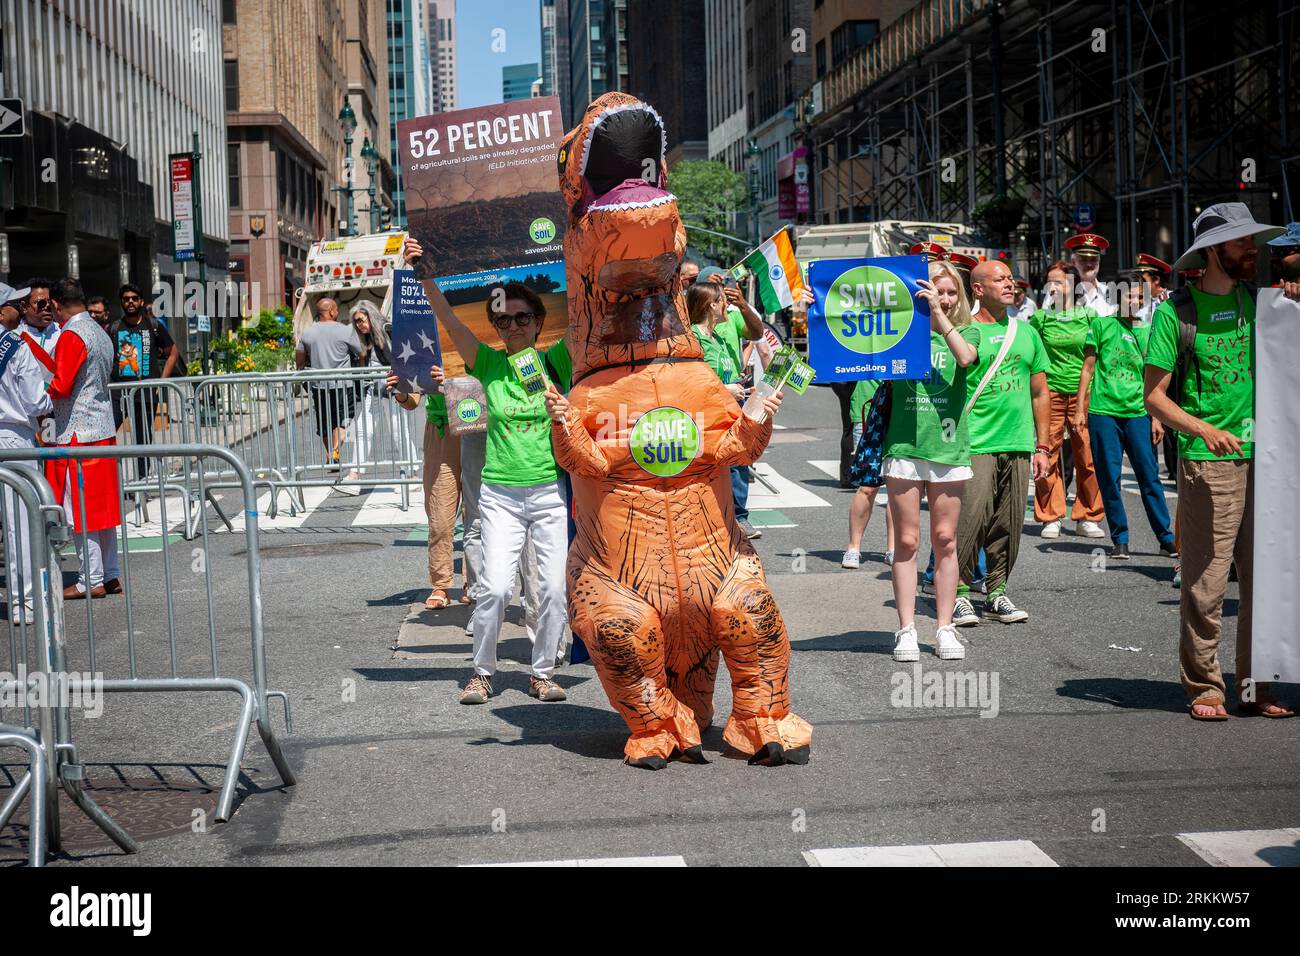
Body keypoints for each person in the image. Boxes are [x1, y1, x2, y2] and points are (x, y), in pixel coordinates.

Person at [1143, 202, 1300, 721]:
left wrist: (1294, 301)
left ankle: (1257, 685)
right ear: (1214, 251)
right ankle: (1205, 685)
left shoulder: (1263, 303)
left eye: (1252, 242)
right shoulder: (1176, 314)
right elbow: (1155, 397)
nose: (1253, 251)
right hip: (1207, 463)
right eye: (1241, 244)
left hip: (1271, 460)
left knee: (1267, 579)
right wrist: (1204, 429)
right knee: (1208, 582)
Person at [404, 236, 571, 705]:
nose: (513, 325)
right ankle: (482, 672)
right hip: (499, 495)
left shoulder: (556, 361)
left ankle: (542, 674)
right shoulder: (488, 362)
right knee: (495, 590)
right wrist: (424, 273)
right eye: (504, 319)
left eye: (522, 317)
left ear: (538, 323)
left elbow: (584, 311)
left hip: (548, 494)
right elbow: (449, 319)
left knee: (554, 590)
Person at [885, 261, 979, 662]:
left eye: (950, 292)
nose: (943, 298)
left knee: (945, 540)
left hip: (947, 448)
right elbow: (846, 359)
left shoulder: (966, 330)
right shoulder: (898, 334)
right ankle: (906, 629)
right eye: (935, 291)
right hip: (904, 448)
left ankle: (944, 627)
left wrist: (941, 317)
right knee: (906, 541)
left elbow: (965, 358)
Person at [952, 260, 1051, 626]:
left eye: (1010, 278)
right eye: (1000, 279)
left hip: (1020, 442)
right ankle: (959, 592)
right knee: (971, 519)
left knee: (1008, 522)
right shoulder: (965, 331)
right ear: (978, 289)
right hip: (976, 442)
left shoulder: (1027, 332)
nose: (1010, 284)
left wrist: (1043, 446)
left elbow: (1041, 392)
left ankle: (996, 592)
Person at [1073, 279, 1175, 560]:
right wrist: (1080, 409)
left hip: (1138, 413)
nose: (1134, 301)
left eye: (1139, 297)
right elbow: (1087, 369)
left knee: (1149, 476)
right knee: (1109, 477)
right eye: (1129, 296)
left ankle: (1166, 539)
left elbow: (1152, 381)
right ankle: (1120, 539)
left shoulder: (1148, 333)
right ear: (1118, 298)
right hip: (1104, 412)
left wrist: (1157, 417)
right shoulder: (1102, 326)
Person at [44, 279, 122, 600]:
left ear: (57, 304)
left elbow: (60, 385)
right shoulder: (100, 332)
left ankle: (90, 578)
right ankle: (111, 573)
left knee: (81, 511)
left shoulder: (72, 335)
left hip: (78, 433)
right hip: (102, 428)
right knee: (103, 509)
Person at [687, 268, 765, 539]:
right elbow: (693, 381)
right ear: (711, 304)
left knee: (737, 462)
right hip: (710, 420)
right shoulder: (695, 339)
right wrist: (725, 390)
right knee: (717, 468)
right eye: (722, 300)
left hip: (731, 412)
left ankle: (733, 518)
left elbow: (729, 369)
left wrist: (743, 389)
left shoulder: (718, 336)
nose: (727, 304)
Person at [1029, 261, 1105, 539]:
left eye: (1058, 281)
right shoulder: (1040, 318)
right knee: (1046, 454)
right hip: (1049, 394)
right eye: (1049, 281)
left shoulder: (1090, 317)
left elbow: (1096, 359)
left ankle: (1088, 515)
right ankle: (1051, 516)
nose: (1052, 286)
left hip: (1084, 395)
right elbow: (1032, 357)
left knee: (1087, 456)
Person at [0, 310, 54, 622]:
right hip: (13, 437)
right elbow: (35, 402)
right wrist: (50, 401)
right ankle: (26, 602)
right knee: (19, 522)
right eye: (12, 305)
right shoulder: (15, 346)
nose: (18, 310)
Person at [109, 282, 177, 481]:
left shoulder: (153, 326)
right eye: (126, 299)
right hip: (117, 393)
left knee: (142, 439)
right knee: (106, 435)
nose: (130, 302)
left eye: (134, 298)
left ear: (141, 301)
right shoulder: (114, 328)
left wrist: (161, 383)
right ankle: (108, 480)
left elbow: (173, 353)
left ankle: (141, 482)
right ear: (122, 302)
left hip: (145, 393)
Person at [346, 300, 414, 480]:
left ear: (370, 315)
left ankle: (413, 473)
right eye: (357, 322)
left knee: (399, 432)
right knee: (362, 430)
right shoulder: (369, 337)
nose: (359, 325)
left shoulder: (387, 329)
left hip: (393, 390)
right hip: (374, 390)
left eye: (361, 320)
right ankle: (355, 473)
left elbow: (401, 358)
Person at [295, 296, 362, 464]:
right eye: (336, 309)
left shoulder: (307, 333)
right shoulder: (346, 330)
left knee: (325, 421)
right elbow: (362, 353)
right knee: (344, 419)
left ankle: (331, 454)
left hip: (319, 385)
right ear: (332, 311)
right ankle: (334, 452)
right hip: (343, 384)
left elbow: (300, 361)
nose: (337, 312)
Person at [841, 377, 894, 568]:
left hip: (914, 406)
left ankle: (893, 548)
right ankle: (853, 548)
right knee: (868, 486)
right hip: (882, 405)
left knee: (900, 487)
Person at [1066, 232, 1116, 316]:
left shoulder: (1111, 294)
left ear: (1099, 262)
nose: (1089, 264)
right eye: (1083, 259)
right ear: (1073, 262)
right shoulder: (1061, 293)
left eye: (1093, 259)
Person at [19, 277, 59, 358]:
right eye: (41, 303)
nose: (48, 306)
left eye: (50, 302)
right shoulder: (14, 335)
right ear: (24, 307)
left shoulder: (63, 332)